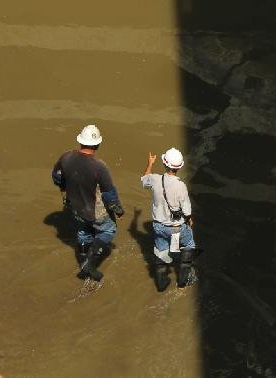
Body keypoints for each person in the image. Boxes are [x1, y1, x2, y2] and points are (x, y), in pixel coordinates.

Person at [51, 124, 125, 281]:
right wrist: (118, 210)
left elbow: (56, 175)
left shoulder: (66, 157)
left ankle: (83, 259)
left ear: (80, 141)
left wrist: (64, 186)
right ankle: (90, 263)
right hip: (94, 210)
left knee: (84, 230)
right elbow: (109, 194)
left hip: (74, 207)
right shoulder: (100, 166)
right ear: (97, 144)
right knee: (108, 230)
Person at [141, 148, 196, 291]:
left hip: (159, 226)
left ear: (165, 164)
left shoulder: (155, 179)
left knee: (161, 252)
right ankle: (182, 283)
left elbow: (144, 180)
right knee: (189, 245)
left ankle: (161, 285)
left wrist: (150, 164)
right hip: (177, 227)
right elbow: (187, 210)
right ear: (179, 167)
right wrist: (189, 219)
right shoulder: (180, 185)